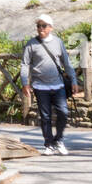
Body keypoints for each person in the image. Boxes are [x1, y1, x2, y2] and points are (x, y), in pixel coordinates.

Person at [20, 14, 77, 156]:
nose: (40, 29)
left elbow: (67, 62)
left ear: (50, 27)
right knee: (45, 117)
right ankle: (49, 144)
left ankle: (59, 140)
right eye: (38, 26)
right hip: (40, 86)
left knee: (63, 113)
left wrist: (74, 80)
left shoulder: (58, 42)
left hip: (58, 85)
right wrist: (24, 83)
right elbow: (25, 64)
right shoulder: (31, 44)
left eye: (44, 26)